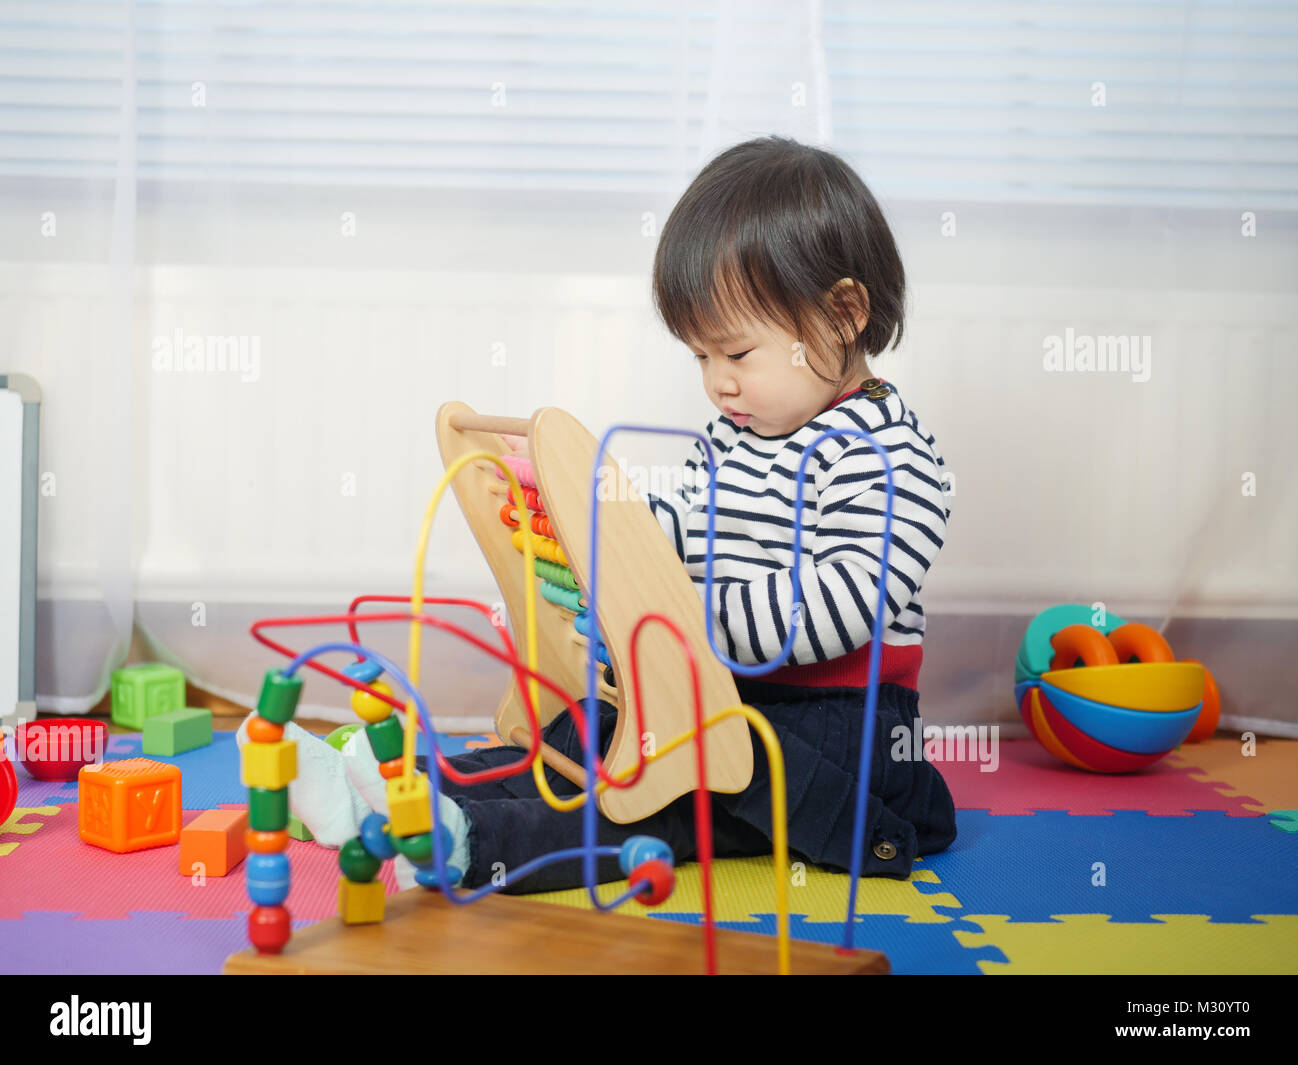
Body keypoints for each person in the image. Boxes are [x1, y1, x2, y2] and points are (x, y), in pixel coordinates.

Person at [239, 134, 957, 894]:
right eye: (700, 358)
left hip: (843, 729)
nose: (718, 384)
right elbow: (682, 526)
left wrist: (689, 620)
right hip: (729, 691)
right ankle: (378, 787)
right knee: (587, 732)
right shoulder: (740, 431)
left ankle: (469, 840)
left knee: (658, 804)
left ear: (842, 316)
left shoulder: (887, 455)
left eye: (736, 355)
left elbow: (847, 599)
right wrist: (612, 541)